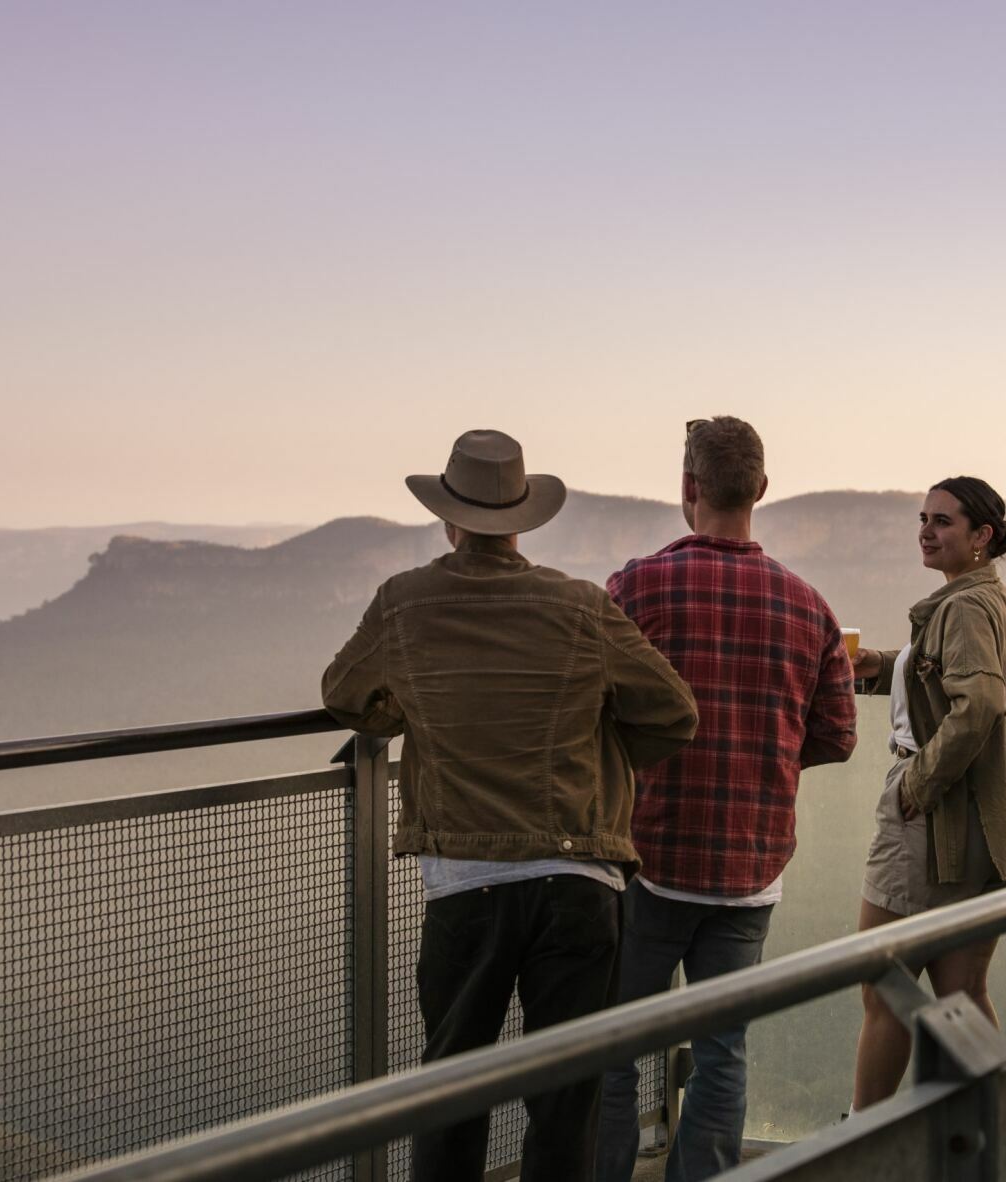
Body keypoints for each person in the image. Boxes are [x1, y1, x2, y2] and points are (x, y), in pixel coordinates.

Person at [322, 429, 699, 1182]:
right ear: (521, 519)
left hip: (466, 887)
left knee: (452, 1093)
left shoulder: (404, 603)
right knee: (566, 1105)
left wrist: (412, 715)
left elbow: (345, 695)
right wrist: (603, 754)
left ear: (447, 517)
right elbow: (673, 712)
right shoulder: (580, 606)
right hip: (581, 883)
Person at [596, 417, 857, 1182]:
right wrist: (766, 761)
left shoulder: (635, 588)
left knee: (612, 1048)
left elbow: (593, 710)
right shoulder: (809, 607)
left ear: (688, 489)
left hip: (647, 858)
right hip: (749, 868)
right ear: (762, 491)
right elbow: (838, 735)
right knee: (722, 1054)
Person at [846, 476, 1006, 1111]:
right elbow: (959, 668)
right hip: (987, 820)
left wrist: (917, 785)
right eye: (923, 518)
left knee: (885, 991)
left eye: (944, 522)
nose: (926, 530)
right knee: (963, 995)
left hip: (932, 818)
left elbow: (979, 700)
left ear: (982, 536)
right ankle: (992, 1132)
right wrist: (887, 663)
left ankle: (867, 1146)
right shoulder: (990, 599)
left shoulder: (959, 606)